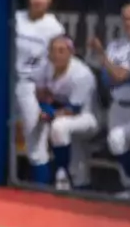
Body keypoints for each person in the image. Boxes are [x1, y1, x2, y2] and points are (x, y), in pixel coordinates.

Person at [88, 1, 130, 196]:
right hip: (117, 105)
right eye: (126, 18)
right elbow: (108, 78)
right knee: (117, 146)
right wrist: (113, 70)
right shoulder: (116, 45)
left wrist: (102, 55)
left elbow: (120, 76)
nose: (129, 22)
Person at [13, 0, 68, 175]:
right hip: (9, 82)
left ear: (49, 0)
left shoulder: (54, 28)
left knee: (35, 144)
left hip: (32, 87)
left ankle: (41, 190)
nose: (38, 0)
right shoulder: (16, 18)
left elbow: (58, 62)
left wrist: (47, 90)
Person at [32, 36, 99, 190]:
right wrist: (45, 107)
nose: (56, 55)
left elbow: (72, 110)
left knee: (59, 126)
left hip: (87, 117)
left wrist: (48, 112)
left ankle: (61, 170)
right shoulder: (47, 67)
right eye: (53, 51)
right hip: (62, 114)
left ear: (71, 52)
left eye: (61, 51)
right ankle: (74, 181)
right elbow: (40, 94)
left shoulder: (81, 74)